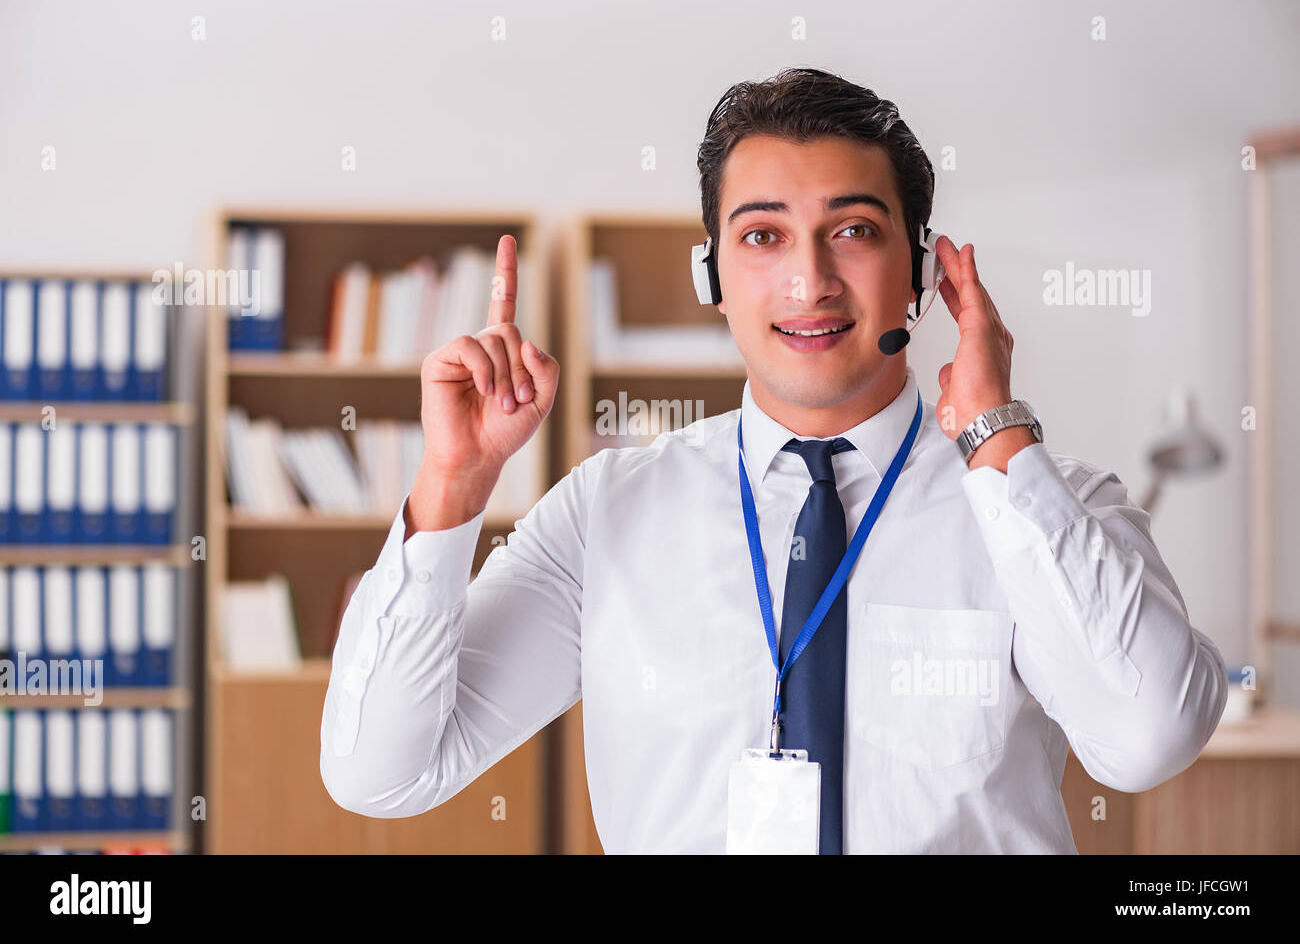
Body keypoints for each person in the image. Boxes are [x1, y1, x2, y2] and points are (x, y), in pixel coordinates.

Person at [319, 67, 1227, 853]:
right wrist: (453, 486)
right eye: (762, 236)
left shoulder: (1043, 504)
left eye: (853, 230)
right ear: (711, 274)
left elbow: (1148, 737)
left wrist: (997, 434)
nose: (809, 281)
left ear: (919, 269)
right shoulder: (607, 513)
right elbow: (379, 773)